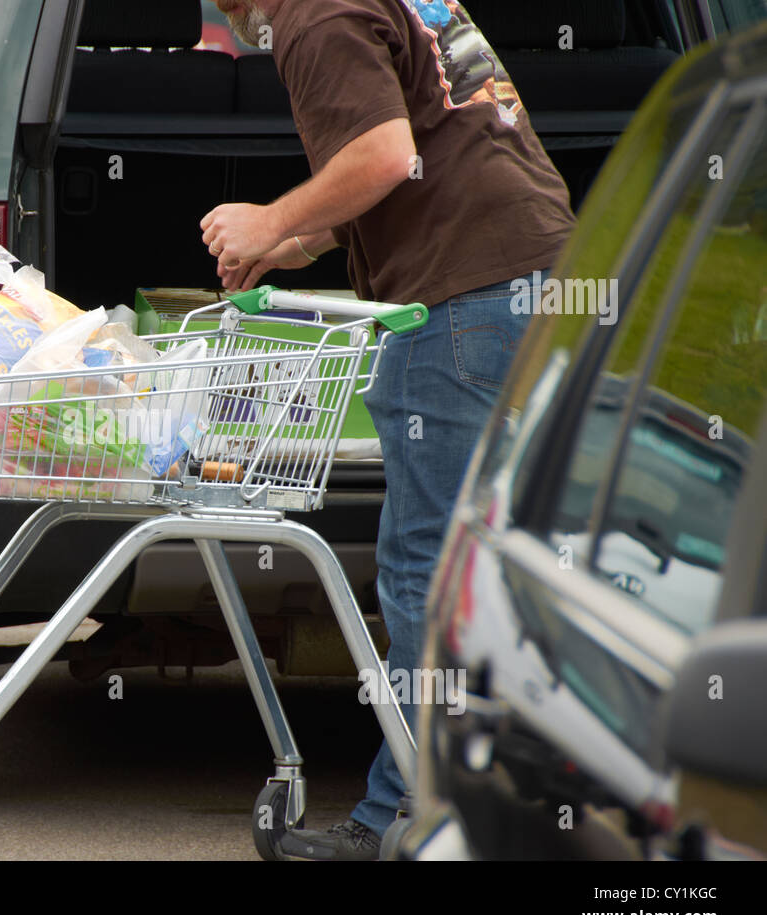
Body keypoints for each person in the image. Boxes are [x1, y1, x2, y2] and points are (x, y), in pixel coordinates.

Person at [202, 0, 576, 859]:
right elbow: (424, 146)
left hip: (461, 302)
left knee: (427, 570)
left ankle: (411, 819)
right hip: (543, 276)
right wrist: (297, 243)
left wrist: (266, 218)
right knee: (512, 563)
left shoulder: (311, 15)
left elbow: (382, 153)